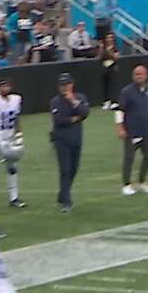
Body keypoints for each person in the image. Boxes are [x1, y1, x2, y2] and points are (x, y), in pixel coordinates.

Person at [50, 73, 89, 213]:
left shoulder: (80, 98)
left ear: (71, 84)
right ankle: (66, 201)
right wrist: (75, 118)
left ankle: (62, 194)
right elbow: (59, 120)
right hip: (61, 140)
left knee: (74, 169)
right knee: (65, 170)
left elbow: (85, 112)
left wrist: (73, 101)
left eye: (66, 84)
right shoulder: (55, 101)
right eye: (62, 85)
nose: (64, 88)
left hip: (76, 139)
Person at [116, 65, 148, 196]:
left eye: (142, 74)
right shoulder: (127, 92)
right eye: (137, 74)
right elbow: (119, 110)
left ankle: (142, 181)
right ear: (133, 76)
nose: (139, 76)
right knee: (129, 158)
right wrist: (120, 128)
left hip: (145, 130)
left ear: (146, 75)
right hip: (131, 130)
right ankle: (126, 184)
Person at [0, 79, 26, 209]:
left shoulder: (15, 99)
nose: (5, 88)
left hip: (9, 137)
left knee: (12, 168)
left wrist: (19, 135)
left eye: (7, 85)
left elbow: (16, 118)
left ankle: (14, 198)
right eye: (2, 86)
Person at [98, 34, 120, 109]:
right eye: (107, 38)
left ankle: (114, 102)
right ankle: (106, 102)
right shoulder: (103, 48)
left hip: (112, 67)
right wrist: (101, 47)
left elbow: (116, 57)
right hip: (104, 68)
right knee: (105, 86)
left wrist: (110, 51)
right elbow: (100, 57)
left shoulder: (115, 48)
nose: (109, 39)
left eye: (111, 38)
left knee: (112, 85)